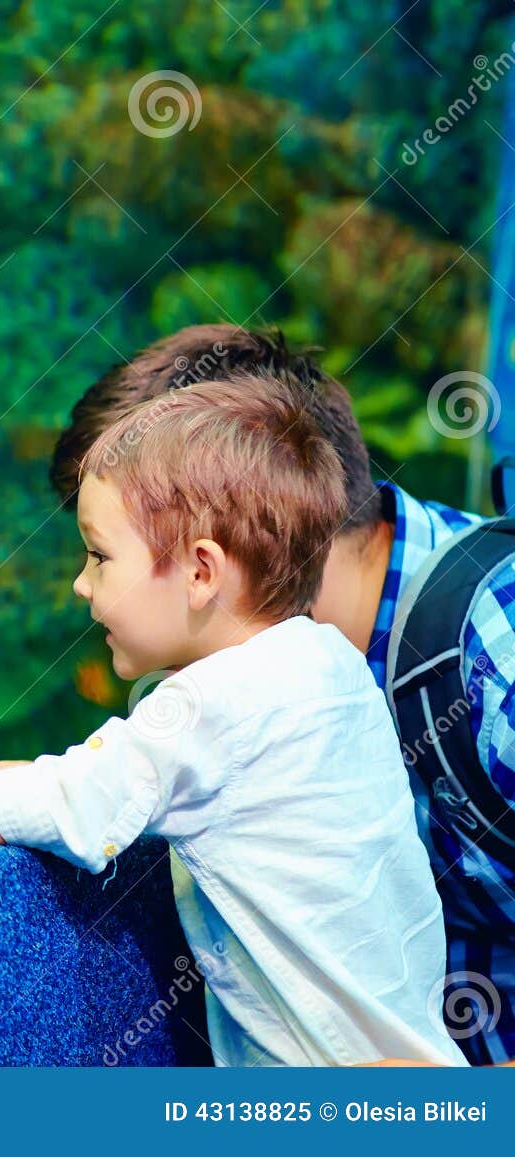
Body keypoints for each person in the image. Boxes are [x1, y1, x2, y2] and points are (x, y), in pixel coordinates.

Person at [0, 373, 466, 1067]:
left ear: (201, 571)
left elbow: (67, 803)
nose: (80, 584)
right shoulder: (329, 664)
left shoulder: (215, 702)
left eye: (99, 555)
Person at [48, 325, 514, 1065]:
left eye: (112, 553)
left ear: (217, 552)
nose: (88, 590)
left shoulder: (493, 651)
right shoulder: (265, 690)